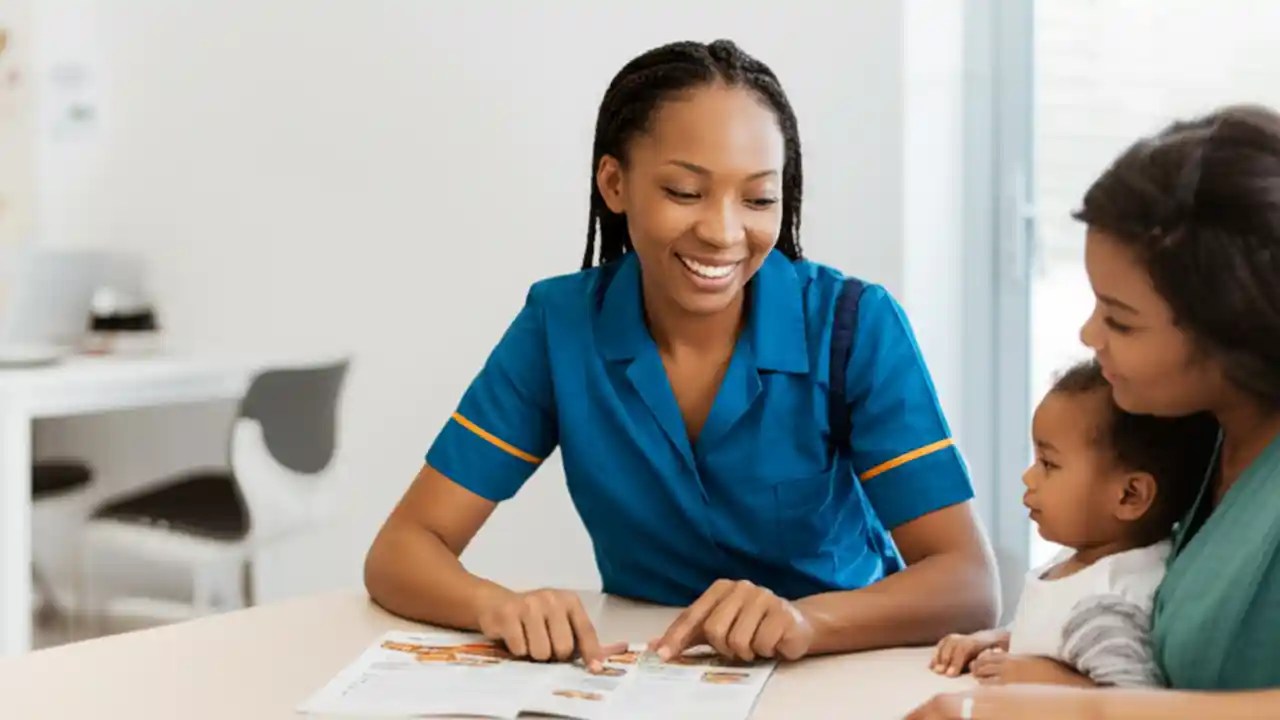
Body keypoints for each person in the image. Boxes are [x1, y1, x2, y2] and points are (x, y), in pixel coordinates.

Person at [364, 39, 999, 673]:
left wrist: (807, 620)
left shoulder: (855, 326)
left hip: (838, 669)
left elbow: (967, 581)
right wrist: (493, 605)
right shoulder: (559, 327)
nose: (723, 232)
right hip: (650, 678)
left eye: (757, 199)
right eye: (685, 192)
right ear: (615, 183)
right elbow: (403, 549)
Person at [908, 104, 1280, 719]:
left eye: (1120, 320)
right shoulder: (1201, 437)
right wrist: (1045, 658)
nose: (1088, 334)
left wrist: (1081, 712)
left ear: (1232, 329)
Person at [930, 360, 1217, 688]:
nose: (1028, 477)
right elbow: (1060, 640)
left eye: (1049, 464)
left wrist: (1047, 679)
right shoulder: (1077, 562)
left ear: (1129, 495)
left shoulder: (1111, 601)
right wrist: (996, 641)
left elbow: (1134, 703)